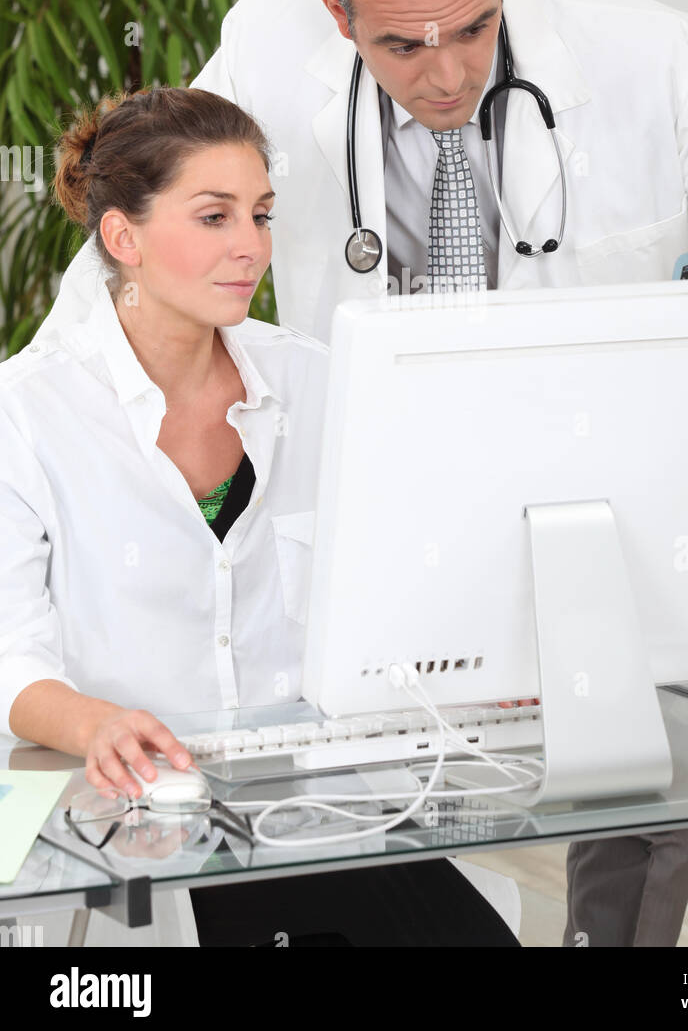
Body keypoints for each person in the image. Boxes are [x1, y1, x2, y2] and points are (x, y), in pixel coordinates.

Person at [34, 0, 688, 946]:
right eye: (401, 45)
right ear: (337, 15)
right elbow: (149, 204)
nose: (445, 72)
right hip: (400, 460)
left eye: (470, 29)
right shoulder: (273, 44)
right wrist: (51, 399)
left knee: (640, 771)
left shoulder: (645, 52)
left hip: (607, 470)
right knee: (398, 757)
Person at [0, 86, 519, 947]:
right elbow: (10, 659)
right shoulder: (25, 413)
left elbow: (404, 584)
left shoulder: (318, 383)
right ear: (122, 237)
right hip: (131, 836)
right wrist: (99, 723)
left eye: (261, 215)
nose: (252, 247)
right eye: (215, 218)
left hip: (318, 813)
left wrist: (475, 660)